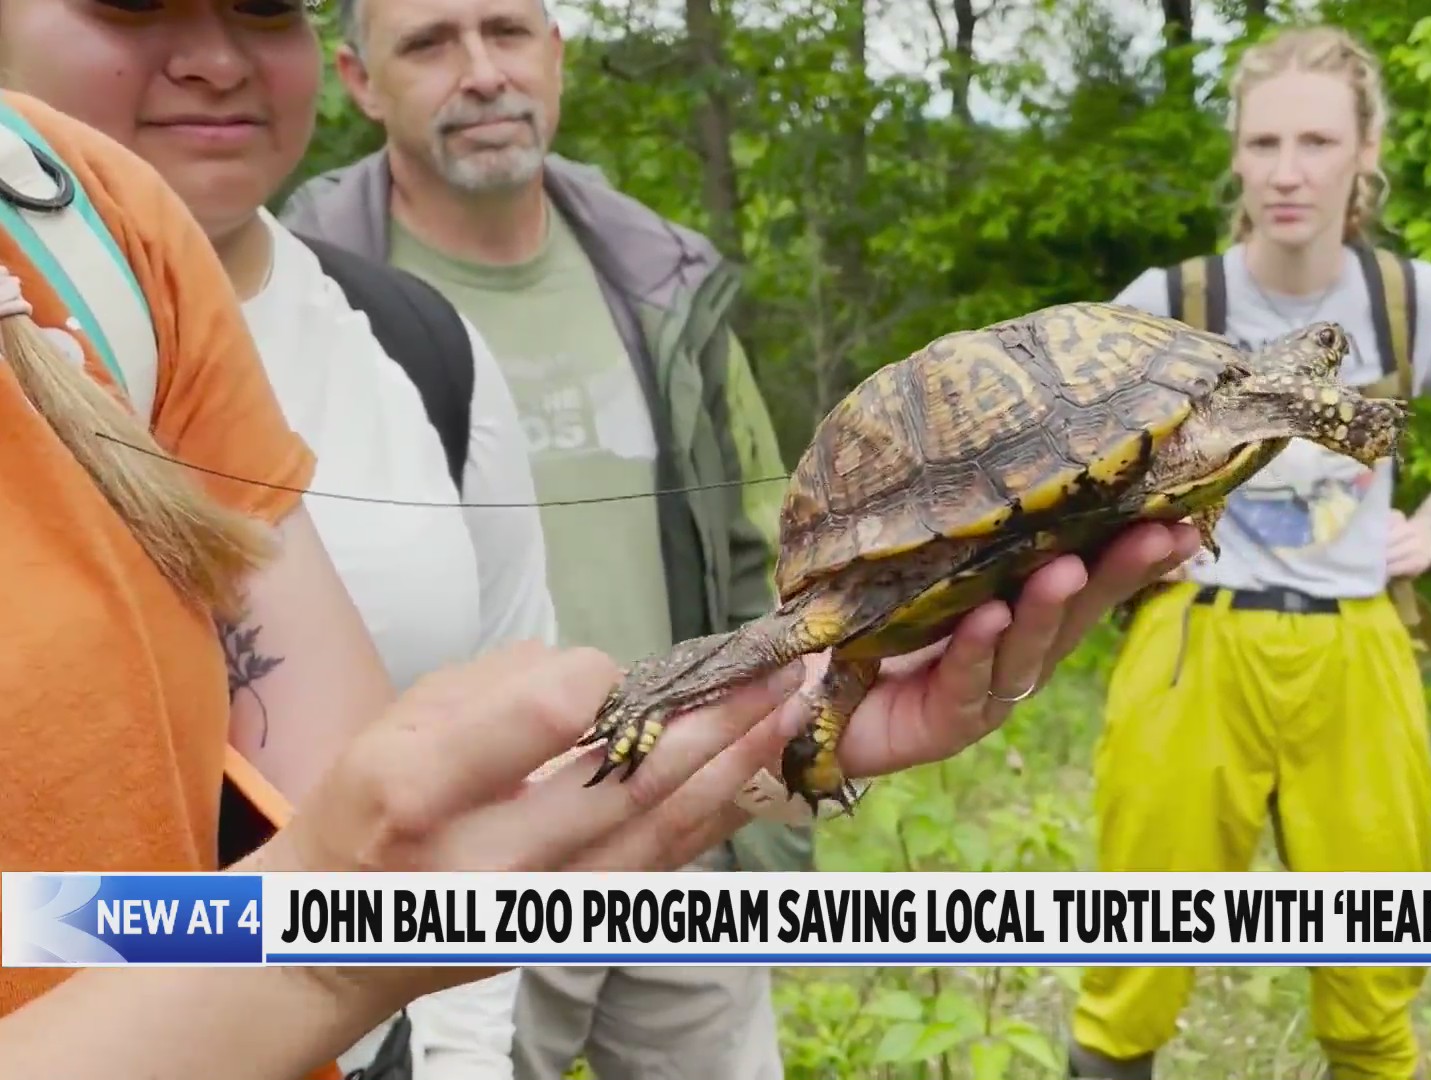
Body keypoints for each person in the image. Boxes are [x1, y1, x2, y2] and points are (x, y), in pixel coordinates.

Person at [0, 67, 1198, 1077]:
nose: (211, 55)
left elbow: (369, 869)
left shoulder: (102, 234)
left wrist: (756, 737)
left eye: (267, 12)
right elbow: (338, 906)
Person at [0, 2, 560, 1075]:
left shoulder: (417, 342)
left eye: (266, 9)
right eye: (133, 4)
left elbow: (424, 817)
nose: (216, 63)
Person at [277, 0, 810, 1073]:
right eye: (430, 42)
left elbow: (760, 552)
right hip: (445, 864)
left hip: (682, 832)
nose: (481, 72)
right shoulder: (291, 295)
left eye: (509, 32)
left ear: (556, 54)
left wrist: (765, 810)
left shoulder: (663, 283)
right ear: (359, 80)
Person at [1067, 25, 1431, 1080]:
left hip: (1358, 647)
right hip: (1193, 644)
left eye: (1316, 142)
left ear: (1366, 152)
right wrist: (1133, 543)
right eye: (1263, 142)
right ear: (1235, 152)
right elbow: (1073, 452)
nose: (1287, 172)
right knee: (1134, 963)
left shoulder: (1415, 300)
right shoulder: (1171, 303)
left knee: (1374, 967)